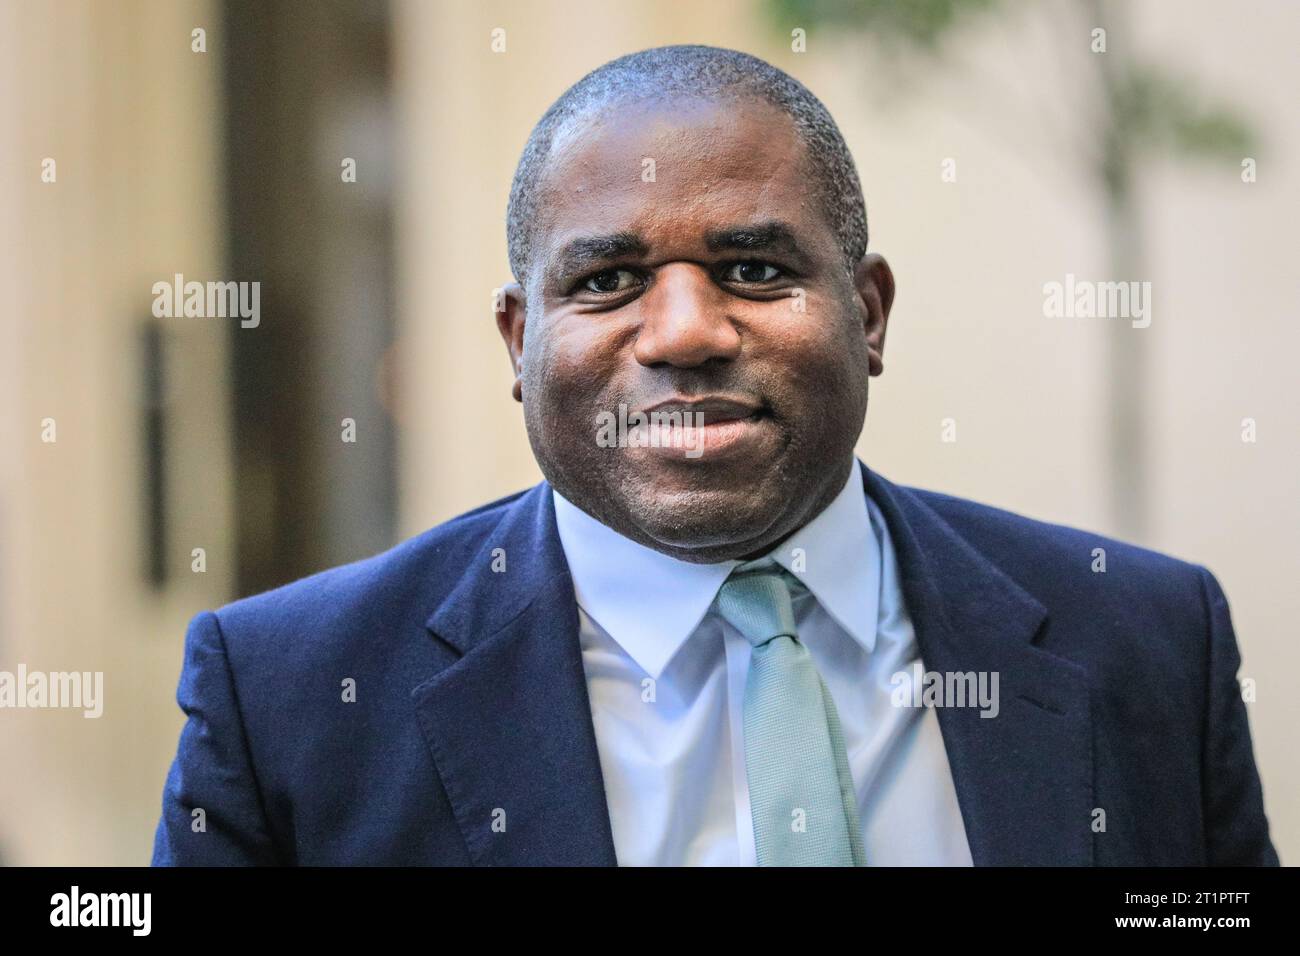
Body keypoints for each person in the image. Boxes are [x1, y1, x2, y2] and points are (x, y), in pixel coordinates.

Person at [152, 45, 1277, 866]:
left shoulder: (1146, 641)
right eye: (605, 282)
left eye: (751, 268)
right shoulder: (290, 700)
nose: (684, 332)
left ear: (869, 314)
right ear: (519, 340)